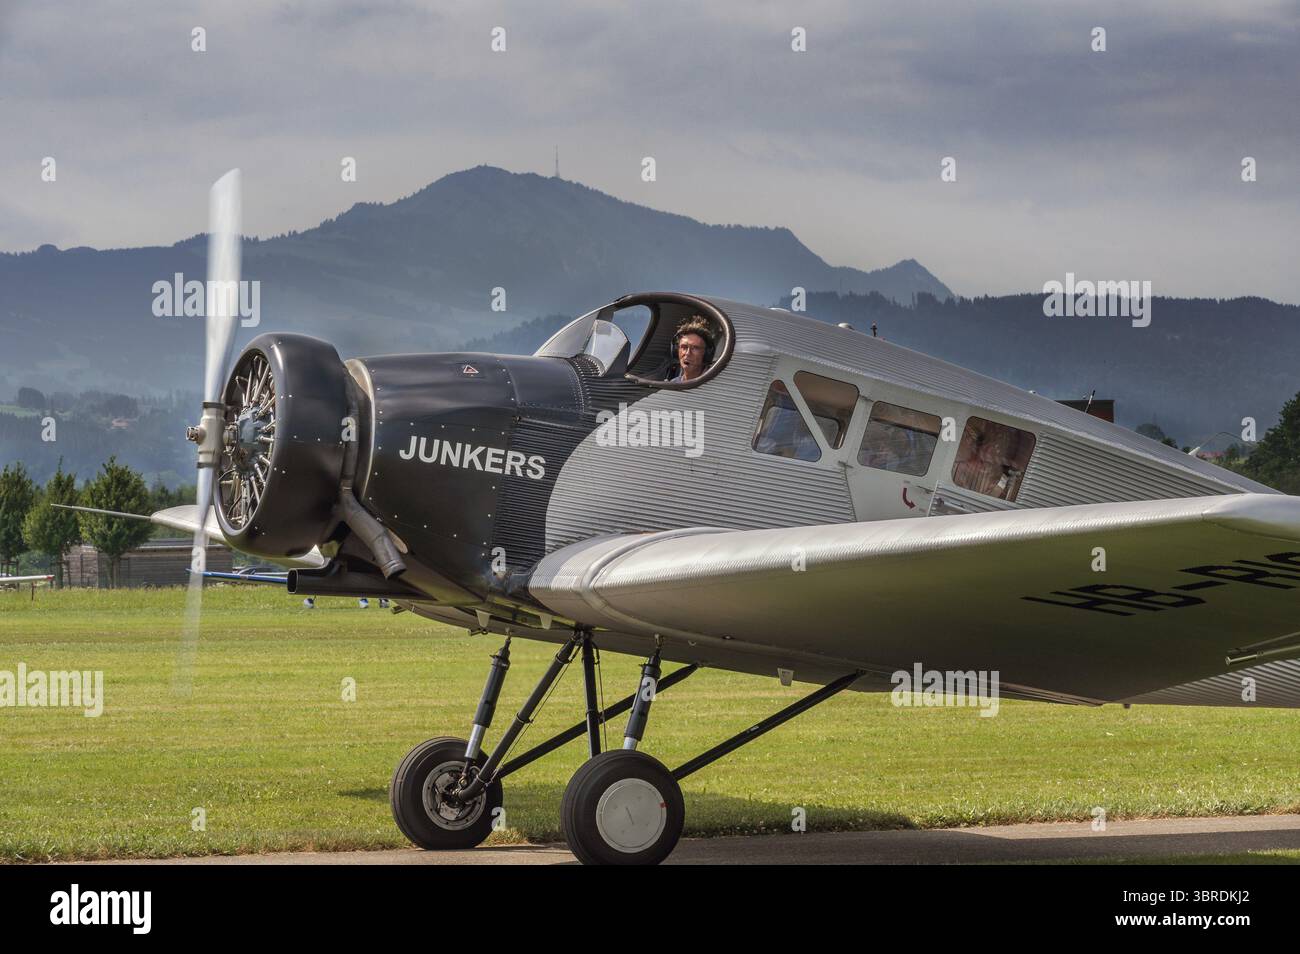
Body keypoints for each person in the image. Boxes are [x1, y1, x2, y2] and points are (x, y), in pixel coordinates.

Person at [667, 317, 714, 383]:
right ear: (676, 351)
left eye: (695, 348)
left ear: (706, 353)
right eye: (684, 347)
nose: (688, 353)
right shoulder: (673, 383)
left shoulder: (714, 384)